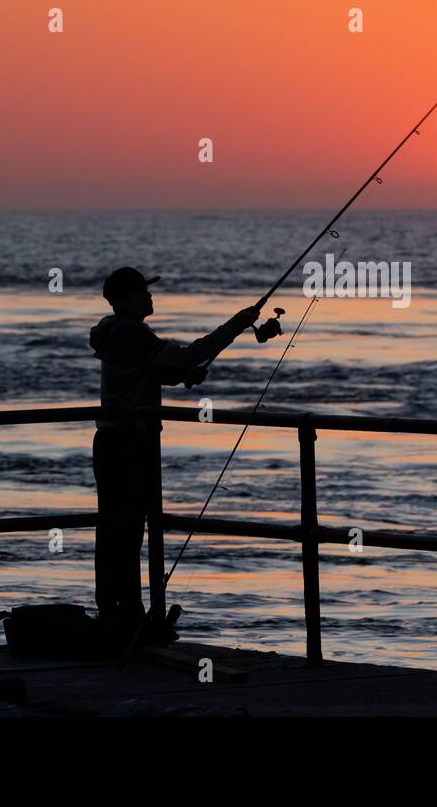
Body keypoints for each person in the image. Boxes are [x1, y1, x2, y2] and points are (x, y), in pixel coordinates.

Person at [88, 266, 271, 645]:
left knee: (118, 530)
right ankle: (123, 618)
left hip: (118, 442)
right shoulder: (129, 333)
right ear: (121, 301)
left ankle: (122, 614)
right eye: (140, 293)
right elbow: (189, 356)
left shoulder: (121, 333)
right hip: (126, 444)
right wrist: (237, 323)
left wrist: (176, 376)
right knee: (124, 531)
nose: (149, 297)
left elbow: (151, 370)